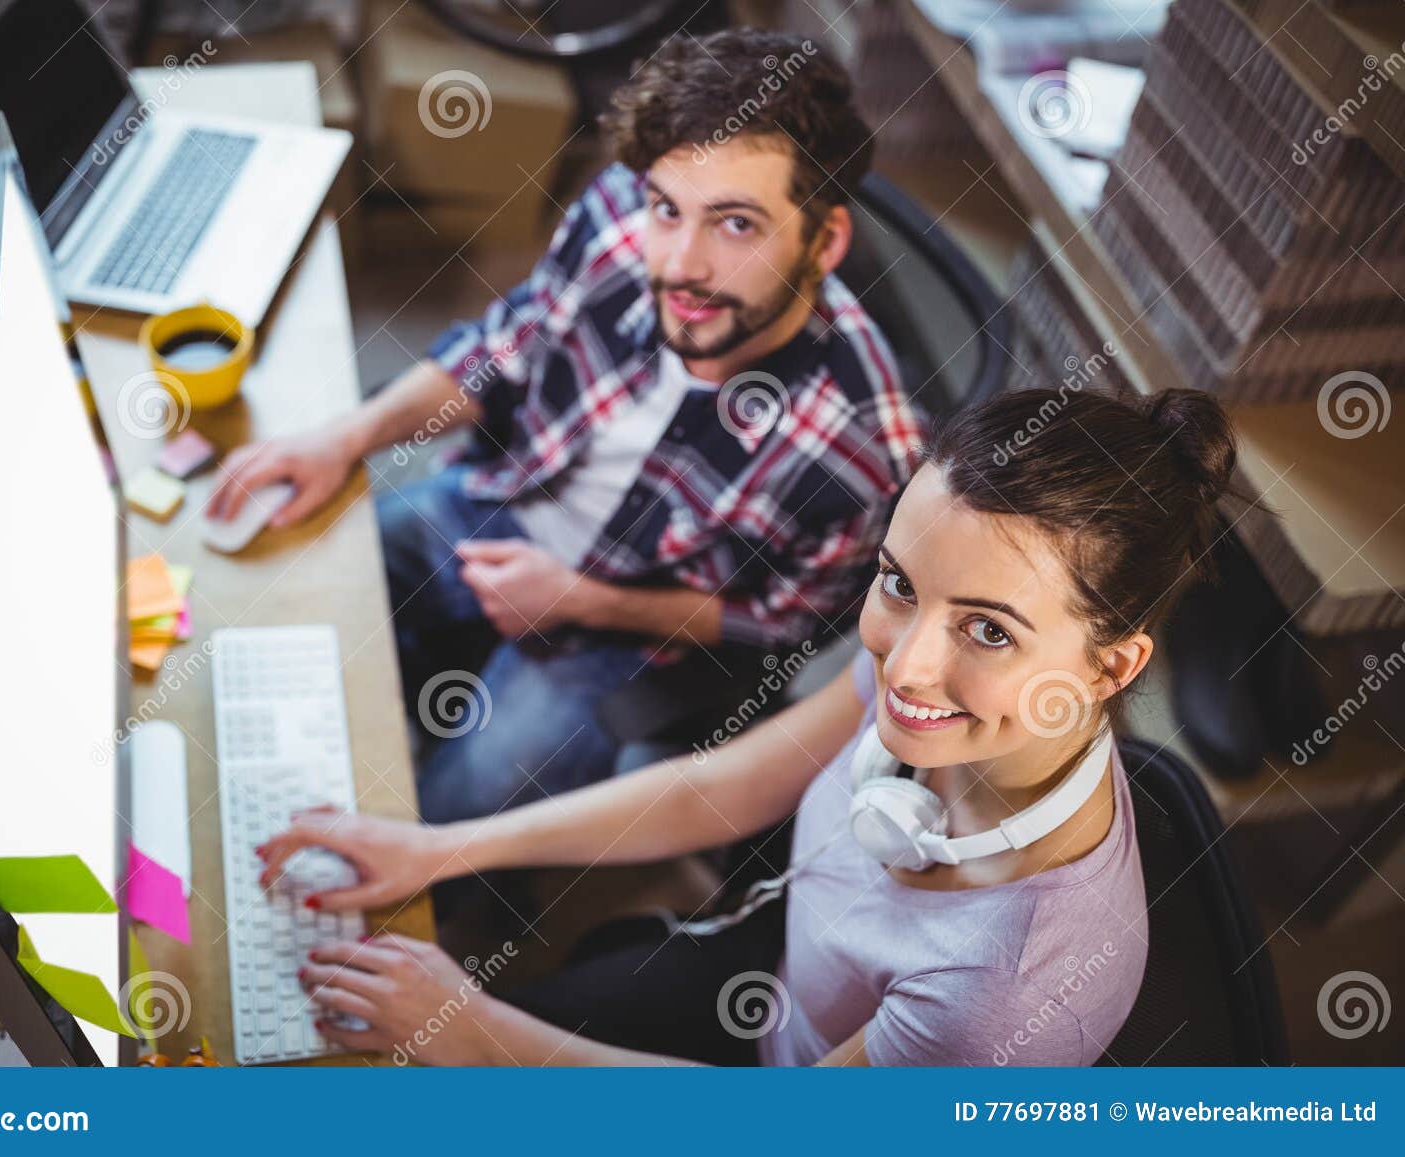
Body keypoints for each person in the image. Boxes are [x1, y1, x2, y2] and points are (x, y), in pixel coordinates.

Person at [254, 384, 1253, 1066]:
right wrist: (438, 847)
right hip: (771, 977)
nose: (903, 665)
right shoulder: (940, 694)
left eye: (988, 629)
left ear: (1110, 666)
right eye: (899, 583)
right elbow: (721, 785)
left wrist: (476, 1034)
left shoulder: (1001, 995)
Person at [208, 30, 926, 825]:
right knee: (307, 593)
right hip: (506, 499)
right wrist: (341, 439)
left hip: (628, 626)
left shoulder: (868, 452)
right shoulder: (619, 214)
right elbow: (502, 349)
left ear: (824, 240)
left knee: (457, 810)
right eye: (668, 209)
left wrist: (583, 601)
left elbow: (782, 621)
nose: (679, 265)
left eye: (736, 226)